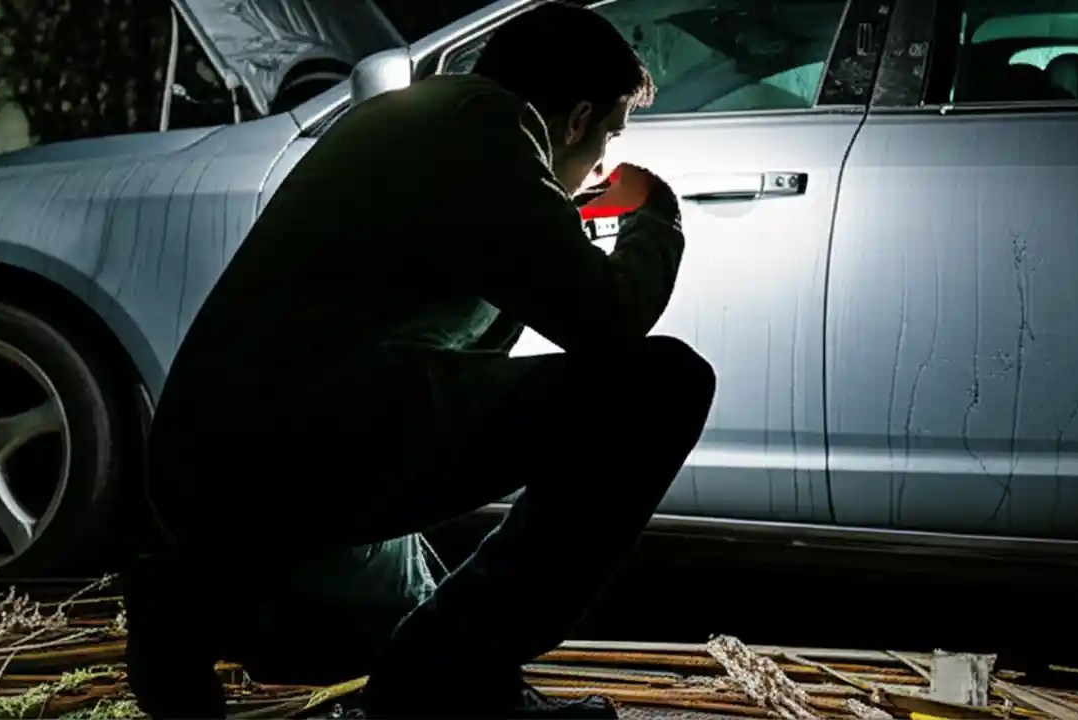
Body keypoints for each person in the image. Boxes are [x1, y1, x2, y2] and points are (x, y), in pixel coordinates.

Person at [121, 2, 717, 718]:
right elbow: (610, 322)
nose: (602, 162)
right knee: (661, 386)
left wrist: (556, 213)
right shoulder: (485, 130)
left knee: (393, 625)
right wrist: (655, 211)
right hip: (298, 445)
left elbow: (480, 281)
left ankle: (196, 601)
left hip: (230, 463)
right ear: (577, 118)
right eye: (609, 136)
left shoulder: (418, 121)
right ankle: (451, 666)